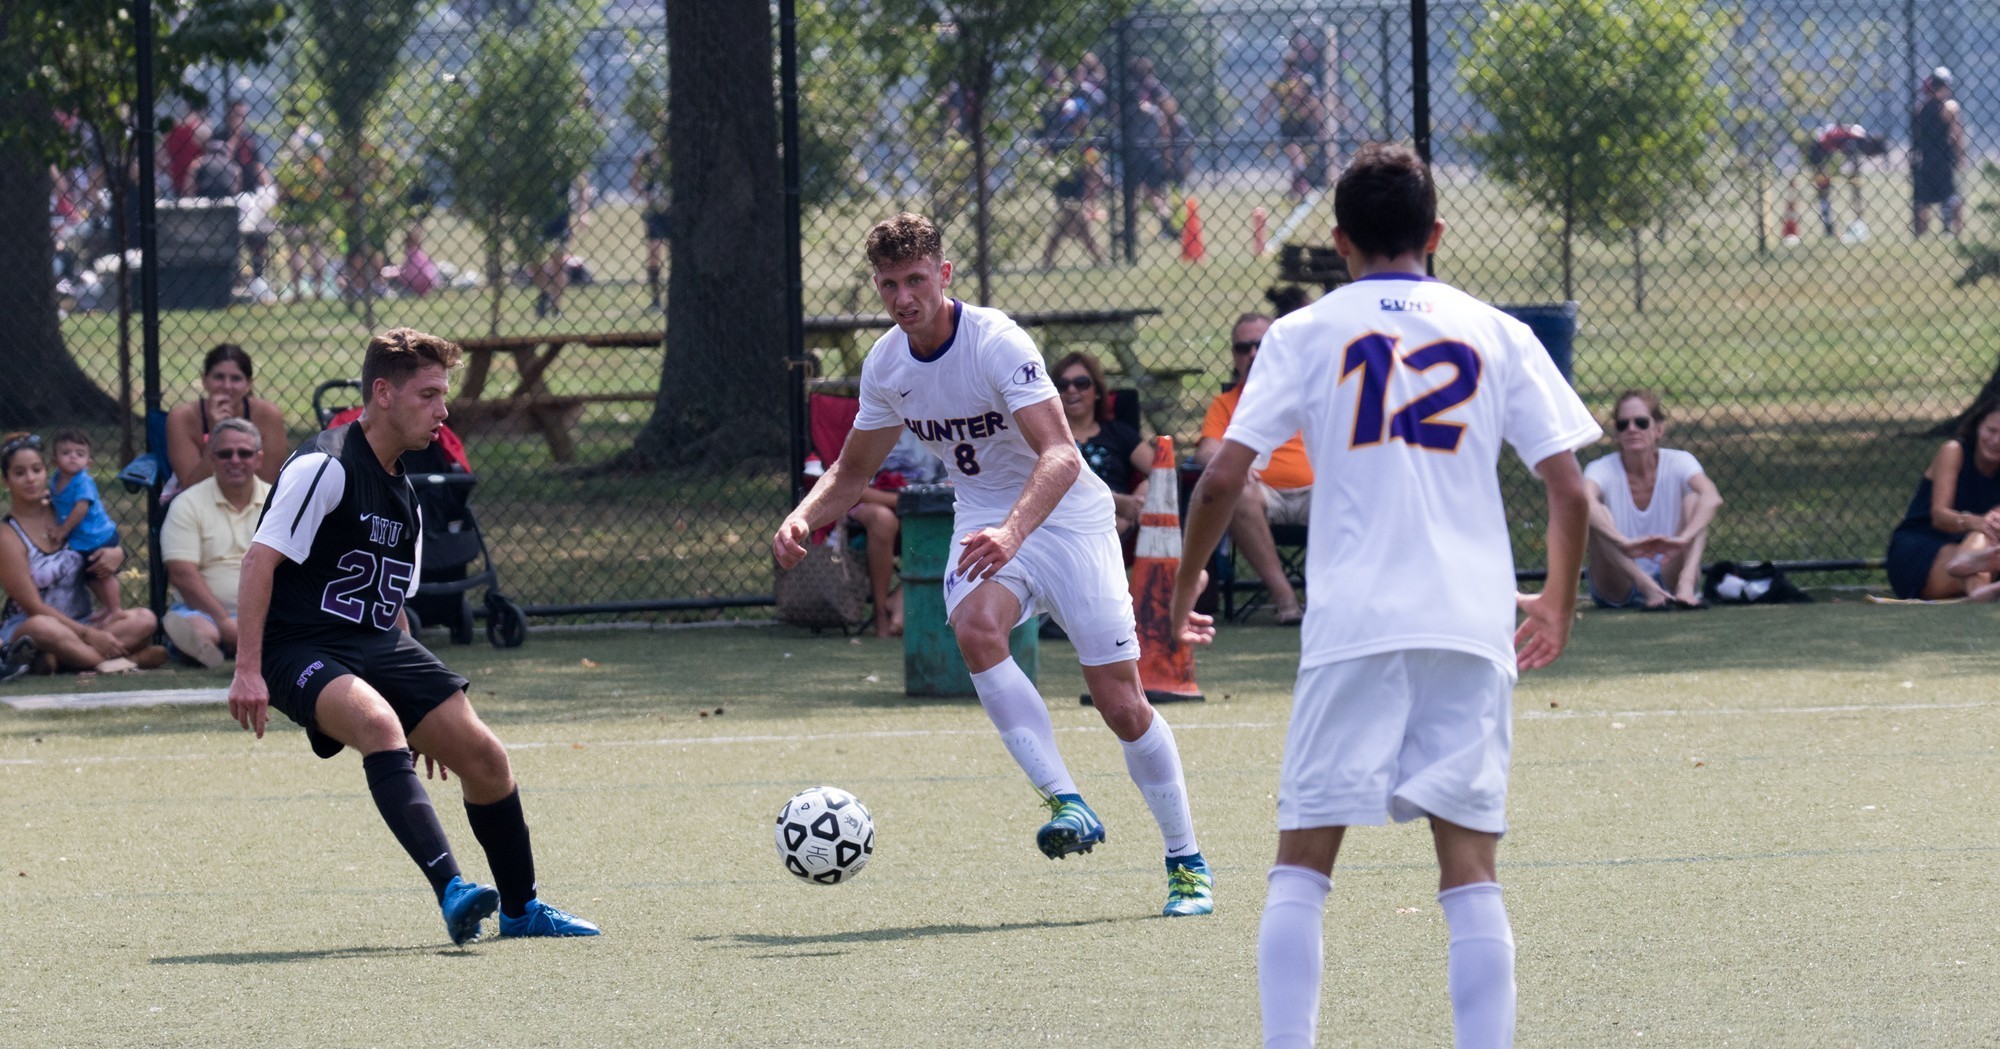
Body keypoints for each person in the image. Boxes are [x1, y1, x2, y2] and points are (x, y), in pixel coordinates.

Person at [1169, 142, 1599, 1049]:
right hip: (1471, 619)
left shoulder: (1303, 331)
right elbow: (1569, 487)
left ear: (1339, 242)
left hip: (1354, 623)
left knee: (1302, 863)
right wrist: (1556, 601)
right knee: (1471, 869)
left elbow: (1217, 482)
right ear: (1436, 233)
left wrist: (1184, 590)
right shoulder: (1497, 330)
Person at [774, 213, 1212, 917]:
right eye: (889, 284)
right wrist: (804, 515)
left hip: (1066, 517)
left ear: (944, 275)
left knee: (1122, 705)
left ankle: (1186, 859)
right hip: (984, 517)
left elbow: (1062, 456)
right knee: (976, 626)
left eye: (916, 279)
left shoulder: (996, 342)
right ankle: (1067, 800)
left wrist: (1014, 532)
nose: (903, 297)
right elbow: (852, 472)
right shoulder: (887, 364)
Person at [227, 328, 598, 944]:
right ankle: (453, 888)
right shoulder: (324, 465)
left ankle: (521, 909)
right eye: (428, 395)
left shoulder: (408, 498)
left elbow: (392, 606)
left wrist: (416, 695)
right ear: (382, 393)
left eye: (443, 395)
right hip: (299, 648)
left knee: (486, 759)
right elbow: (257, 562)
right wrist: (247, 668)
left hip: (376, 644)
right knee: (379, 727)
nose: (443, 411)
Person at [0, 434, 163, 675]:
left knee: (145, 618)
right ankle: (128, 660)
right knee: (43, 627)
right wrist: (90, 635)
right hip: (34, 625)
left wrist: (118, 552)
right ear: (6, 481)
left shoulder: (67, 513)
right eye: (20, 473)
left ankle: (63, 660)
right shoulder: (7, 535)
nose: (31, 478)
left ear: (47, 471)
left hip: (82, 621)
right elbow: (32, 606)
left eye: (36, 469)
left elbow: (100, 539)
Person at [1194, 313, 1309, 625]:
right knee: (1236, 490)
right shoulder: (1226, 403)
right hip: (1263, 497)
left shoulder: (1307, 392)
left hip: (1319, 494)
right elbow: (1207, 450)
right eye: (1244, 347)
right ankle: (1285, 598)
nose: (1253, 354)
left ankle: (1341, 601)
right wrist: (1231, 463)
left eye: (1261, 345)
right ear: (1234, 355)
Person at [1581, 390, 1724, 611]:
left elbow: (1712, 497)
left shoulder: (1680, 461)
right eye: (1622, 424)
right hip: (1618, 581)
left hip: (1672, 570)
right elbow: (1582, 501)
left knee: (1695, 500)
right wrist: (1621, 542)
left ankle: (1686, 587)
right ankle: (1648, 588)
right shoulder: (1600, 469)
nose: (1631, 429)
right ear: (1617, 434)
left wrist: (1683, 539)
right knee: (1597, 512)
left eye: (1640, 422)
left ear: (1658, 429)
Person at [160, 418, 269, 667]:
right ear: (210, 458)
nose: (235, 460)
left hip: (265, 612)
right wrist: (224, 622)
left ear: (258, 459)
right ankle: (213, 644)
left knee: (284, 626)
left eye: (244, 453)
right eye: (224, 454)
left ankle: (231, 645)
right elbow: (182, 574)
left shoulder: (278, 501)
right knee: (197, 629)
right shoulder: (187, 503)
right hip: (205, 613)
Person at [1884, 398, 2000, 600]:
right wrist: (1976, 522)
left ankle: (1978, 591)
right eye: (1991, 430)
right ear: (1978, 427)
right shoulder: (1953, 451)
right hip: (1923, 548)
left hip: (1980, 552)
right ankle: (1973, 572)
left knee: (1987, 534)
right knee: (1985, 530)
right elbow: (1939, 516)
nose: (1996, 441)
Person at [1053, 350, 1153, 542]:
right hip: (1065, 517)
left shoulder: (1118, 432)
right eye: (1063, 385)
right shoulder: (1051, 437)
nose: (1072, 390)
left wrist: (1140, 496)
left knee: (1153, 485)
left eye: (1081, 383)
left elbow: (1162, 469)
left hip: (1113, 523)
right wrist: (1114, 501)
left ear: (1097, 391)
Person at [165, 344, 289, 495]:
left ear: (248, 384)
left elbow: (267, 485)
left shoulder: (268, 415)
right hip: (197, 504)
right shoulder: (182, 418)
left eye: (236, 379)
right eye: (219, 377)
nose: (227, 386)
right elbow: (192, 488)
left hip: (252, 503)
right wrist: (216, 432)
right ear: (204, 380)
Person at [45, 429, 123, 615]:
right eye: (66, 453)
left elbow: (81, 508)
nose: (73, 457)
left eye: (79, 454)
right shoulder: (55, 480)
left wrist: (63, 530)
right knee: (91, 577)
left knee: (103, 575)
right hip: (83, 540)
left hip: (99, 536)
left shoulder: (82, 481)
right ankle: (106, 607)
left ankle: (116, 610)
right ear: (54, 461)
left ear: (88, 463)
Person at [1259, 51, 1326, 201]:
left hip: (1290, 123)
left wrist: (1262, 116)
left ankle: (1298, 185)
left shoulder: (1284, 81)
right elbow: (1316, 103)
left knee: (1297, 158)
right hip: (1304, 124)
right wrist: (1321, 123)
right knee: (1298, 157)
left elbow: (1268, 101)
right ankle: (1300, 186)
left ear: (1284, 65)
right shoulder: (1305, 79)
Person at [1912, 67, 1964, 237]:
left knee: (1922, 200)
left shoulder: (1920, 108)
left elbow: (1917, 136)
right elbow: (1956, 135)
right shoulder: (1950, 107)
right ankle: (1951, 231)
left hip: (1925, 158)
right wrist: (1960, 156)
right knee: (1950, 195)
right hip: (1943, 157)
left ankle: (1921, 234)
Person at [632, 144, 672, 311]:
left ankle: (673, 298)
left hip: (671, 211)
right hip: (654, 212)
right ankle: (656, 299)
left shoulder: (673, 156)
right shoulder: (647, 158)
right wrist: (644, 195)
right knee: (654, 253)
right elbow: (634, 181)